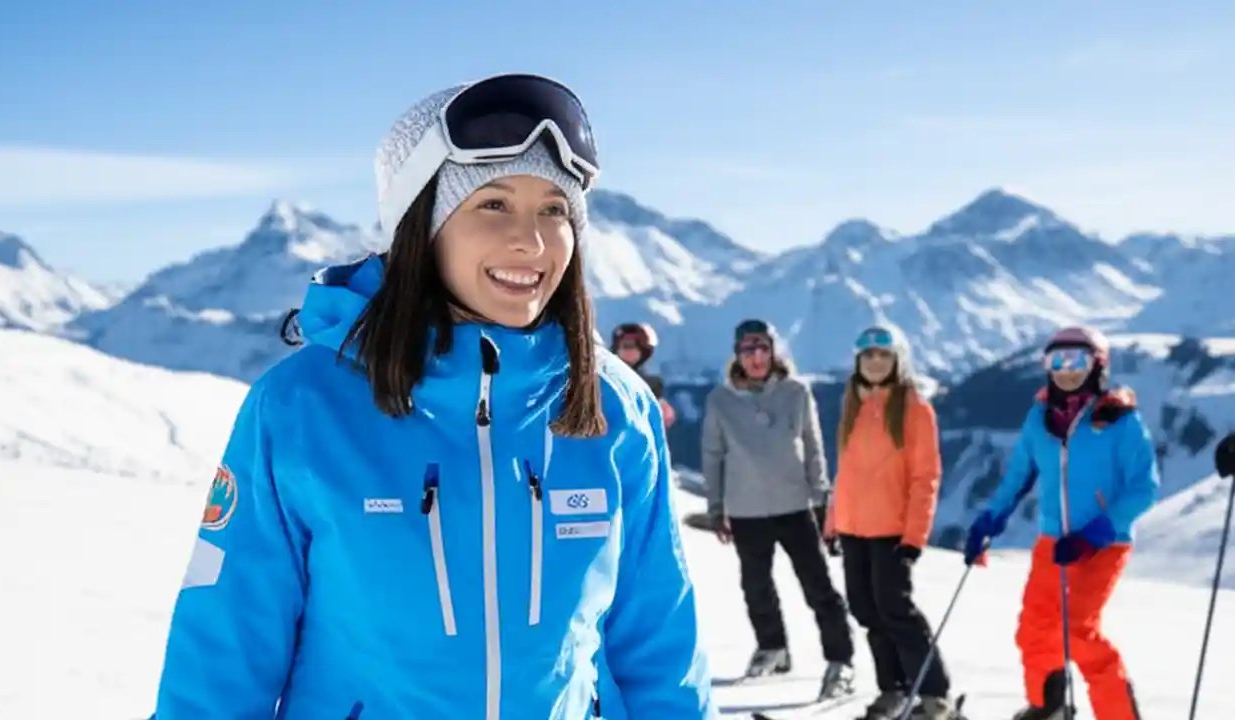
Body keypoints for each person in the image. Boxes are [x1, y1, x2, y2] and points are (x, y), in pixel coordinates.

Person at [150, 73, 715, 720]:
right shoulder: (302, 407)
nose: (530, 241)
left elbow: (661, 645)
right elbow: (224, 649)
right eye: (493, 204)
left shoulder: (615, 408)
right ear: (422, 225)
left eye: (554, 209)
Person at [963, 326, 1158, 720]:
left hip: (1104, 542)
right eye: (1056, 361)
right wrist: (990, 519)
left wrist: (1098, 532)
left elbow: (1144, 487)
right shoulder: (1040, 418)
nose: (1066, 371)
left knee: (1077, 631)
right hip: (1053, 542)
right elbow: (1020, 475)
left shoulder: (1119, 419)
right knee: (1034, 629)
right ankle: (1047, 709)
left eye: (1077, 361)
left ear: (1097, 366)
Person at [701, 318, 856, 700]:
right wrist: (716, 507)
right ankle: (773, 648)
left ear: (774, 352)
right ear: (737, 356)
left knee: (818, 586)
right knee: (756, 586)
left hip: (794, 504)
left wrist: (822, 499)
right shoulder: (721, 400)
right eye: (748, 350)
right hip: (745, 508)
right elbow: (713, 455)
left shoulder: (796, 392)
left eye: (763, 349)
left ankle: (841, 661)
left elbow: (814, 446)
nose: (756, 357)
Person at [824, 325, 957, 720]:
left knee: (895, 610)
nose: (876, 363)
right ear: (858, 362)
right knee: (866, 611)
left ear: (897, 360)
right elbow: (845, 471)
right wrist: (834, 523)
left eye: (884, 355)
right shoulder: (854, 403)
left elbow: (925, 476)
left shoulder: (915, 408)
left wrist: (915, 535)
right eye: (869, 356)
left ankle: (933, 694)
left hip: (892, 531)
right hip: (852, 529)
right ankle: (893, 689)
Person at [611, 321, 676, 428]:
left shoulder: (652, 384)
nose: (628, 351)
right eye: (625, 346)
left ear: (644, 351)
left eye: (633, 346)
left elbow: (664, 418)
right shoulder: (608, 378)